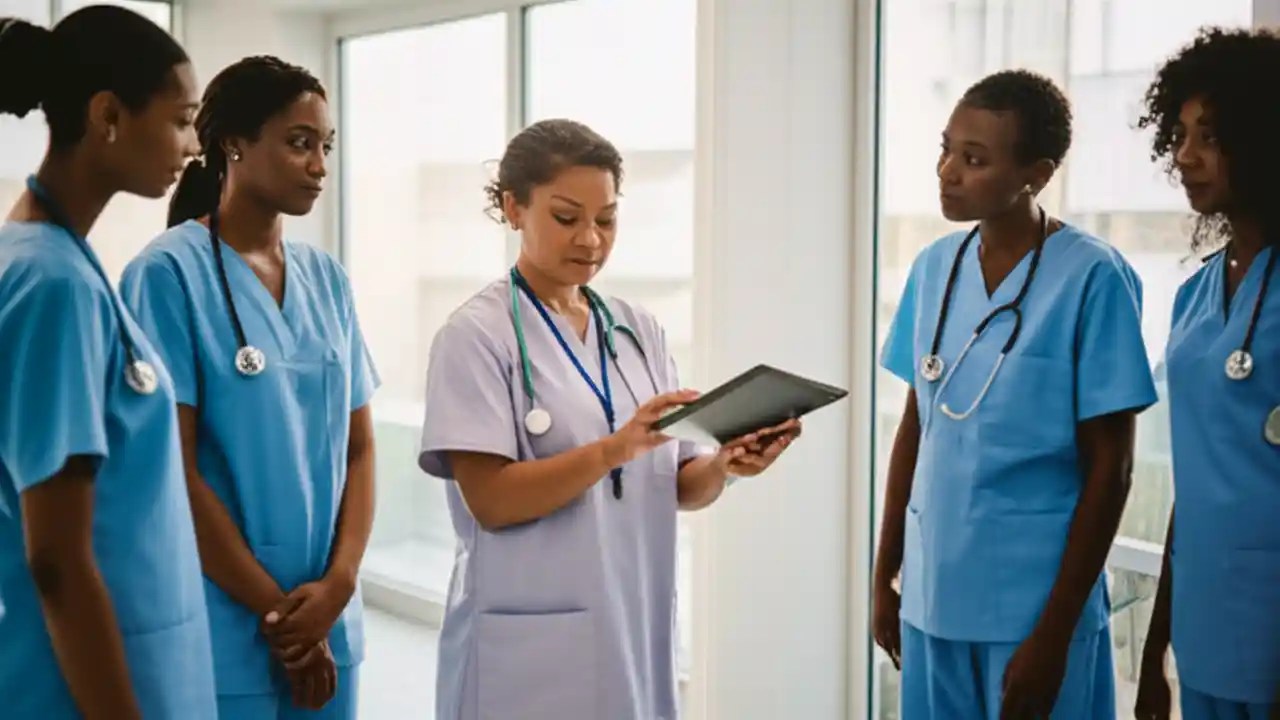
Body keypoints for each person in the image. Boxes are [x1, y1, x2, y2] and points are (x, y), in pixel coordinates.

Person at [418, 117, 800, 720]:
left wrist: (727, 466)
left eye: (607, 219)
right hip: (529, 647)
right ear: (514, 208)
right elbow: (490, 500)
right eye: (567, 218)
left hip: (633, 627)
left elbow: (676, 484)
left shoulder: (638, 330)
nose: (591, 240)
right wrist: (612, 451)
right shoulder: (477, 335)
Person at [872, 69, 1158, 720]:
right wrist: (885, 577)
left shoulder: (1092, 277)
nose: (947, 170)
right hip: (933, 600)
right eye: (945, 150)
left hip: (1033, 610)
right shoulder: (934, 269)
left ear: (1036, 172)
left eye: (974, 159)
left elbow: (1111, 471)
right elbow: (918, 427)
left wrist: (1053, 636)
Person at [119, 56, 378, 719]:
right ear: (233, 142)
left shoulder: (327, 279)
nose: (319, 164)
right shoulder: (166, 275)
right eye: (299, 143)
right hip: (225, 628)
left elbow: (359, 448)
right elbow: (171, 472)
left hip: (329, 619)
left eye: (326, 146)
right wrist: (282, 618)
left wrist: (341, 585)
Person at [0, 6, 216, 719]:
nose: (192, 145)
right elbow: (56, 561)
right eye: (181, 119)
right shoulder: (53, 285)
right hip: (88, 688)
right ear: (107, 115)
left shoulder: (52, 256)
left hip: (137, 655)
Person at [1133, 27, 1280, 720]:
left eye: (1211, 137)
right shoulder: (1195, 297)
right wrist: (1155, 649)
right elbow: (1193, 490)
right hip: (1204, 635)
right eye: (1181, 135)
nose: (1185, 156)